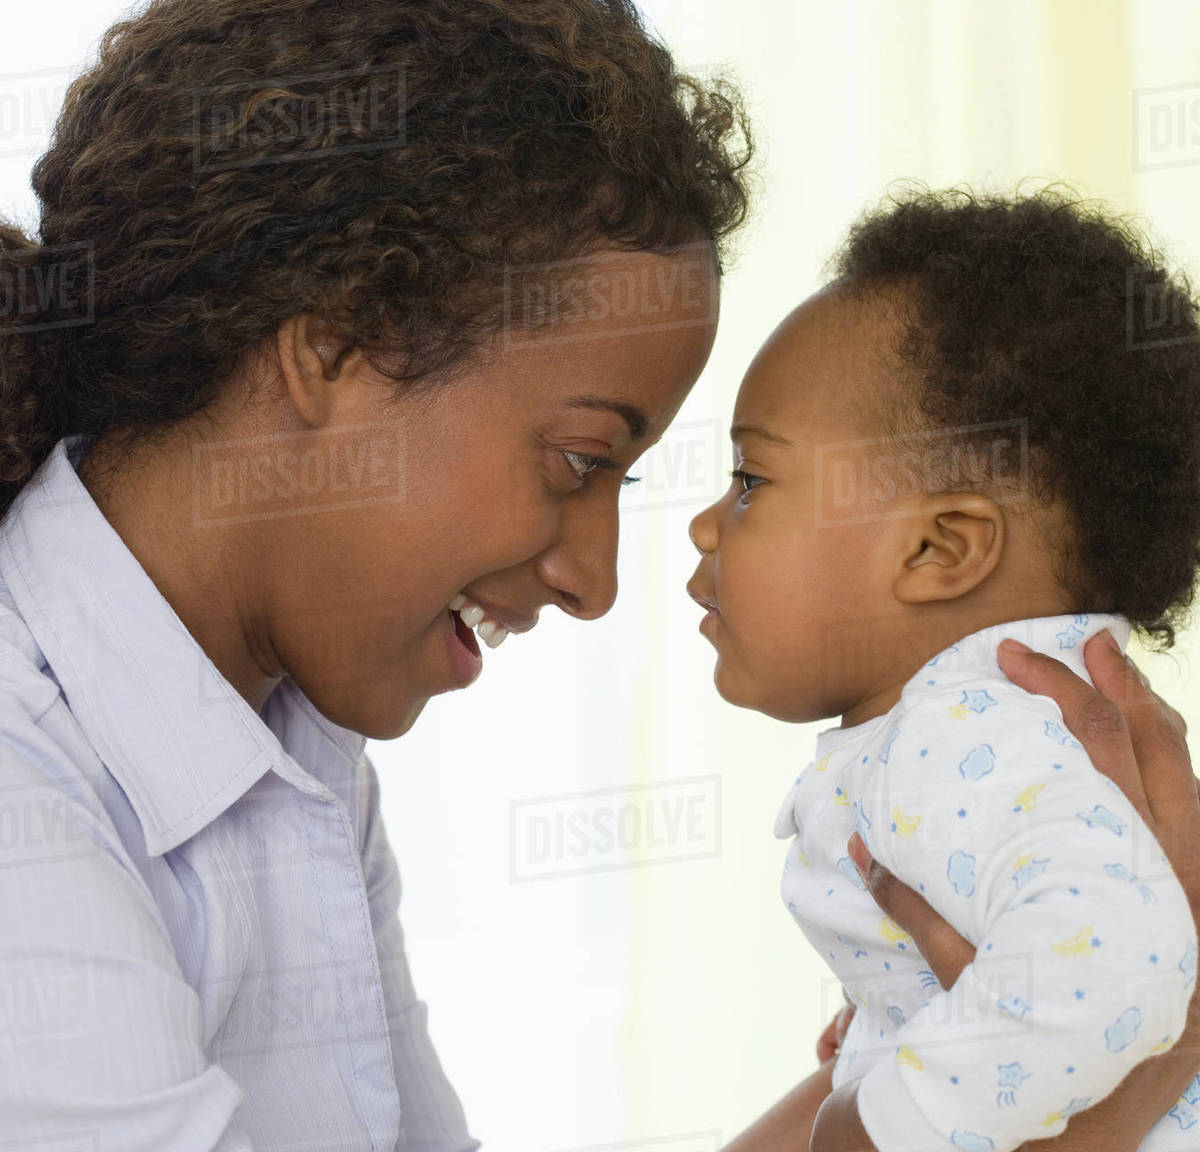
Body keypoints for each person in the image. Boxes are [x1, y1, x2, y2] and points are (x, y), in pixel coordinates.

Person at [0, 0, 1192, 1147]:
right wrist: (1147, 1052)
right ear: (339, 349)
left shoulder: (291, 755)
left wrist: (932, 1045)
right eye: (580, 458)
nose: (597, 582)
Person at [686, 189, 1200, 1151]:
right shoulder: (987, 728)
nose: (705, 524)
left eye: (752, 480)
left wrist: (878, 1122)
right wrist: (899, 1024)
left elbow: (1121, 963)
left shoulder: (967, 730)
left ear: (940, 550)